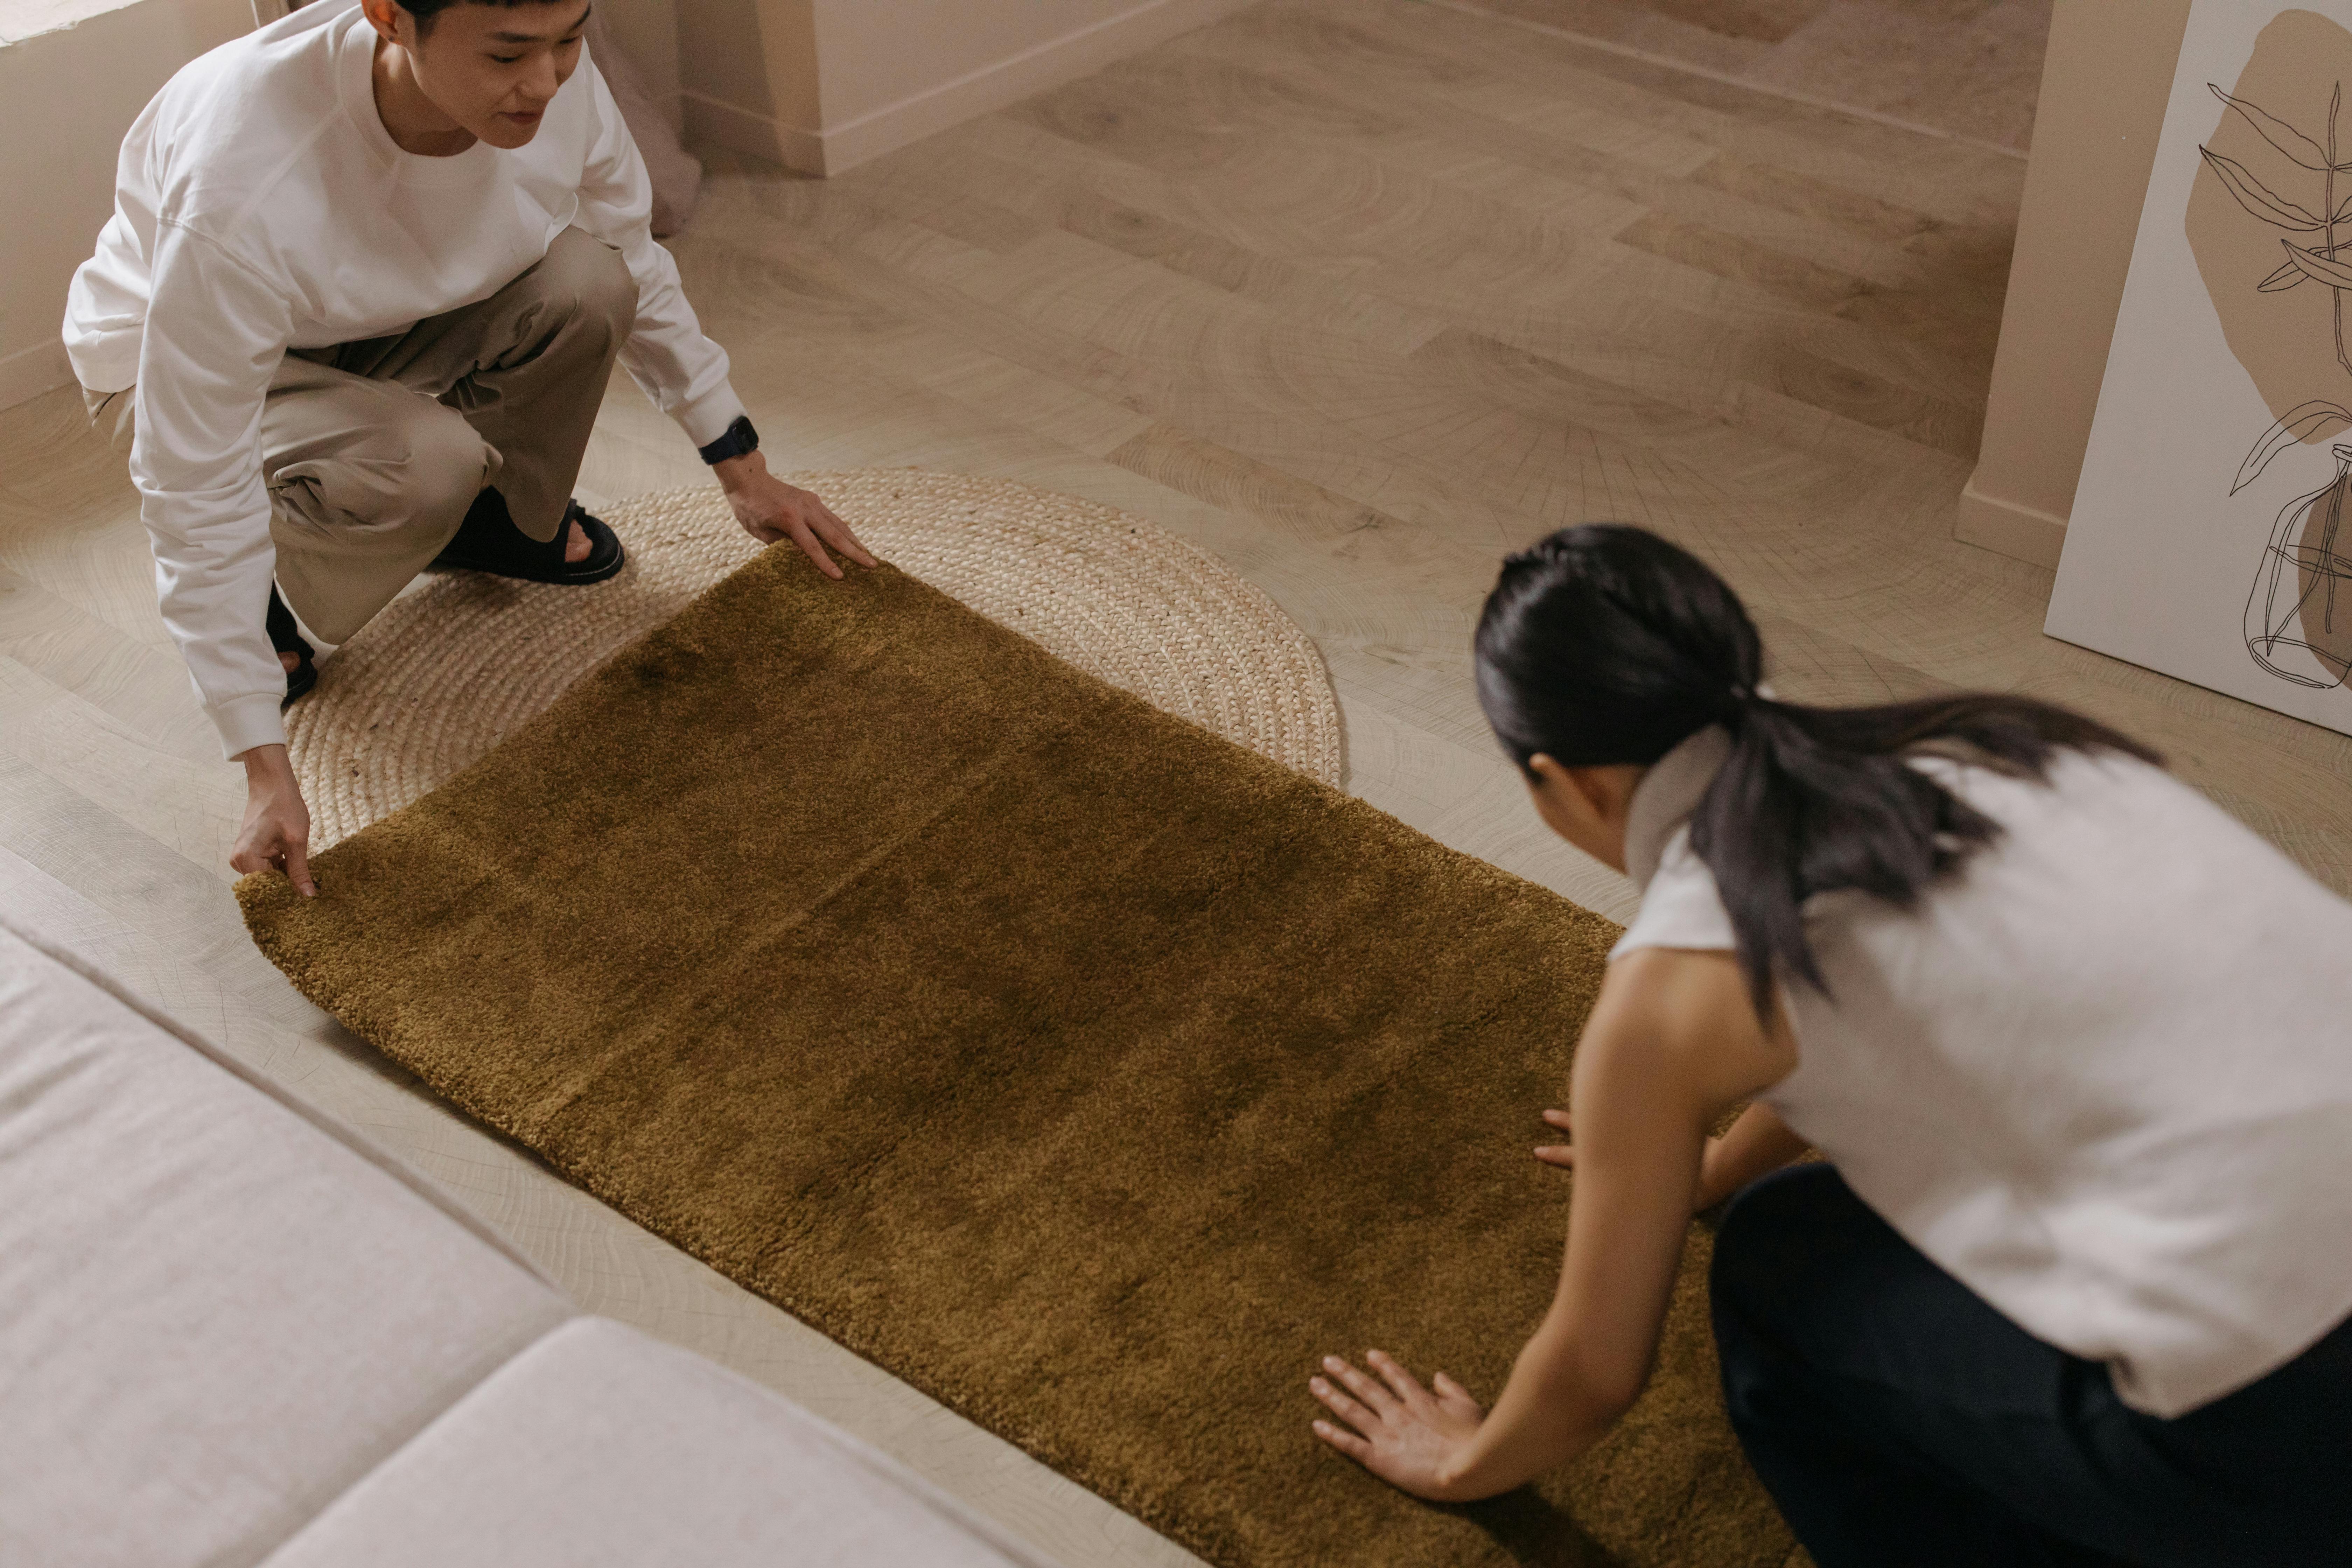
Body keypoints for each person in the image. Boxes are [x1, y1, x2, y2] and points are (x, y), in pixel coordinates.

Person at [1305, 524, 2352, 1566]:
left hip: (2297, 1432)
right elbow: (1857, 1012)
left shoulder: (1669, 992)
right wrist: (1706, 1163)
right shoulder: (1978, 744)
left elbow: (1593, 1374)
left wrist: (1458, 1462)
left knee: (1775, 1269)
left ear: (1566, 783)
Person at [63, 0, 876, 899]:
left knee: (590, 283)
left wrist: (744, 469)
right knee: (424, 461)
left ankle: (490, 526)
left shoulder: (552, 89)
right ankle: (271, 595)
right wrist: (261, 759)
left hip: (361, 315)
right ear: (391, 19)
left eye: (570, 39)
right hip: (165, 366)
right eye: (508, 54)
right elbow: (192, 471)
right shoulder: (247, 180)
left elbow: (632, 259)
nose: (546, 81)